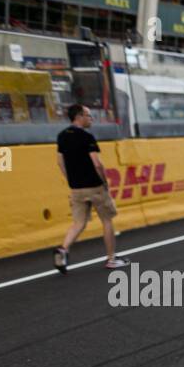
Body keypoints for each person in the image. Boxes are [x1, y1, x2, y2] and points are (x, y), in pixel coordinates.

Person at [53, 104, 127, 273]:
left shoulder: (62, 136)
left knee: (78, 223)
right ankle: (111, 259)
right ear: (79, 116)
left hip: (76, 188)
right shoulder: (87, 137)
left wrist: (71, 179)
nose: (91, 118)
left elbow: (60, 162)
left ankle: (63, 249)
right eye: (88, 115)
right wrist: (105, 182)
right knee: (107, 220)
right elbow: (97, 164)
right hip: (94, 186)